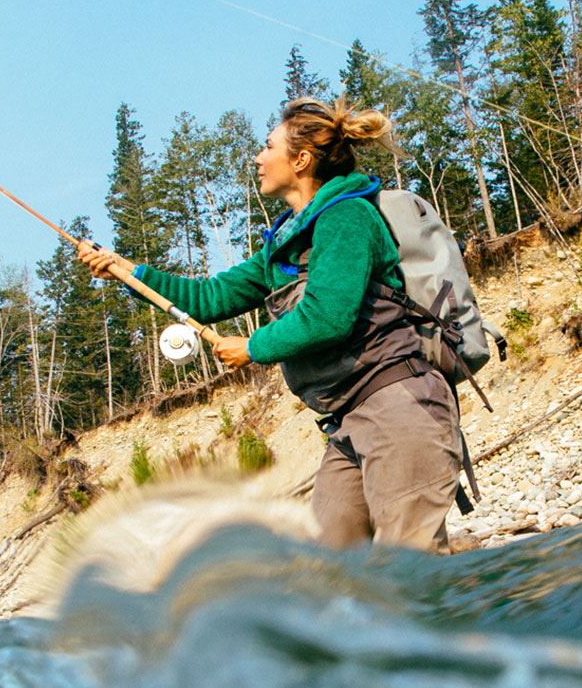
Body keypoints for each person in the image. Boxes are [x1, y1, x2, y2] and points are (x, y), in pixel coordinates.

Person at [78, 97, 466, 550]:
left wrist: (253, 348)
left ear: (300, 160)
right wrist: (128, 271)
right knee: (330, 576)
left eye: (267, 147)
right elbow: (209, 296)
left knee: (410, 571)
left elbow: (327, 317)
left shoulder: (347, 217)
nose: (258, 158)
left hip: (399, 407)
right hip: (346, 423)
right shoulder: (282, 246)